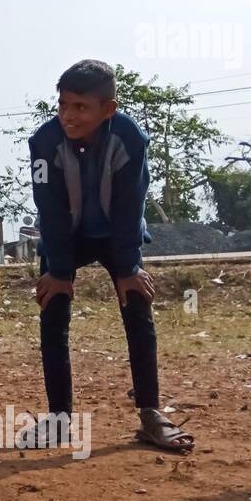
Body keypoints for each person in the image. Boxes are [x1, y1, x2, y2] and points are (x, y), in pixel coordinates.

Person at [30, 59, 193, 452]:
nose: (69, 116)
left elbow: (129, 205)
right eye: (63, 105)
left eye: (81, 107)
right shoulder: (43, 142)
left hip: (116, 235)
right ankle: (59, 419)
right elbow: (48, 208)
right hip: (64, 237)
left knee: (137, 304)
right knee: (53, 311)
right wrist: (61, 270)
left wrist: (126, 267)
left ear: (108, 109)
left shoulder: (130, 138)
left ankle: (151, 414)